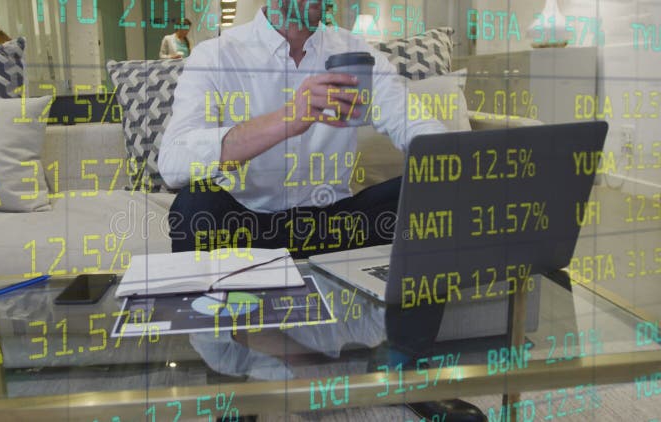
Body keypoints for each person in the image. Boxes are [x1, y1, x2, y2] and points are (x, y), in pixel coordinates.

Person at [159, 2, 485, 421]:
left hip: (332, 222)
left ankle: (404, 371)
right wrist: (288, 118)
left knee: (430, 193)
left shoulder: (355, 55)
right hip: (249, 221)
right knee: (193, 208)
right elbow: (172, 162)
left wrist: (460, 166)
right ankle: (233, 384)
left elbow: (416, 126)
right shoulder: (218, 55)